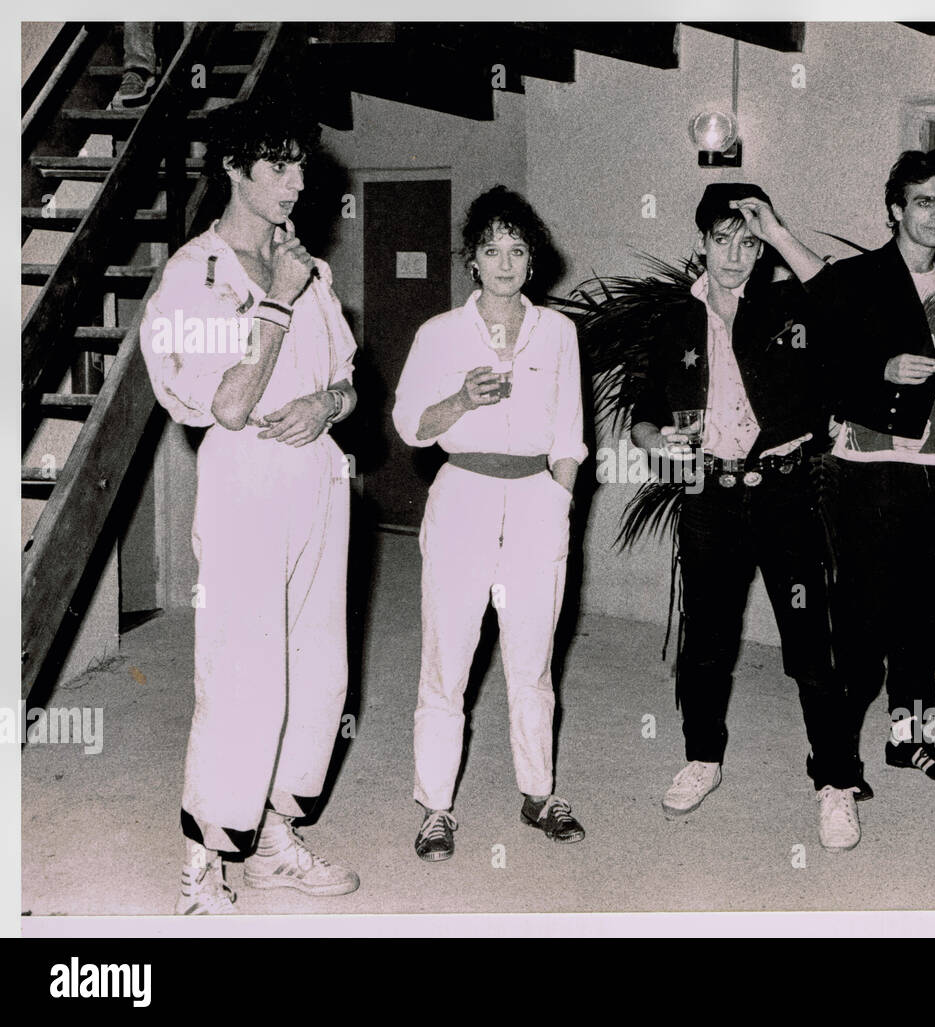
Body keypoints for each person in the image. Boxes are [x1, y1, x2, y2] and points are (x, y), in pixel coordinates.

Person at [140, 96, 361, 913]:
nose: (299, 181)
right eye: (279, 166)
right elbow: (227, 405)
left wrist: (328, 406)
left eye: (302, 163)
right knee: (242, 672)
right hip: (245, 482)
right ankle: (203, 862)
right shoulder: (193, 275)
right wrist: (277, 298)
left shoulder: (307, 263)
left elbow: (349, 379)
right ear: (235, 169)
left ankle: (272, 836)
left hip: (319, 479)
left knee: (318, 668)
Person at [735, 149, 935, 786]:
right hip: (869, 473)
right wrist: (880, 371)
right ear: (895, 210)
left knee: (922, 623)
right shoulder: (862, 278)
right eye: (925, 202)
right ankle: (837, 755)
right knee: (862, 622)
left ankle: (906, 740)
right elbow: (821, 371)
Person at [629, 183, 869, 852]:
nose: (735, 254)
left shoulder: (789, 304)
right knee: (706, 642)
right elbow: (645, 403)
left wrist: (781, 230)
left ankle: (835, 782)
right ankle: (703, 757)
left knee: (809, 647)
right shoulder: (676, 319)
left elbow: (848, 310)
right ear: (701, 243)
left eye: (748, 240)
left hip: (784, 497)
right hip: (709, 496)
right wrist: (653, 441)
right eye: (722, 239)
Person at [392, 185, 587, 863]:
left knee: (532, 662)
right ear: (471, 260)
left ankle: (539, 793)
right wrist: (458, 398)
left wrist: (557, 501)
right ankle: (435, 807)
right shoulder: (440, 334)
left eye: (517, 249)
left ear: (533, 261)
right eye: (491, 249)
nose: (504, 262)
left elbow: (570, 434)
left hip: (535, 498)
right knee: (448, 660)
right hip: (464, 497)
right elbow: (411, 426)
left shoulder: (558, 332)